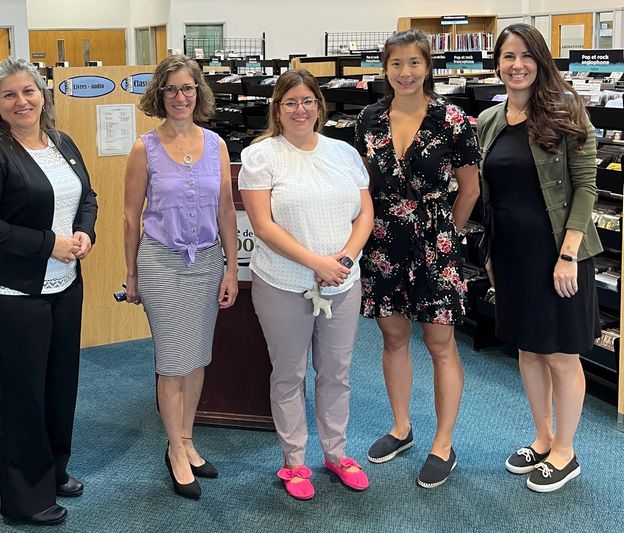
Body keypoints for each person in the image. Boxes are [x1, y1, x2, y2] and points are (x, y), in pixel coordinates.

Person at [0, 57, 98, 526]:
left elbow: (87, 197)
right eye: (9, 95)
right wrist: (48, 245)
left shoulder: (62, 143)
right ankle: (25, 498)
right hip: (12, 292)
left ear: (44, 95)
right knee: (21, 395)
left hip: (65, 285)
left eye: (29, 91)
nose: (22, 101)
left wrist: (84, 234)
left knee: (60, 386)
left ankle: (54, 471)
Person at [353, 30, 480, 488]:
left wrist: (448, 234)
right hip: (385, 239)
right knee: (392, 337)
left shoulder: (453, 120)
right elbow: (363, 186)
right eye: (396, 64)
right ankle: (401, 428)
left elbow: (470, 189)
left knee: (440, 342)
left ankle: (443, 443)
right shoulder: (368, 119)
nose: (405, 73)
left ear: (428, 66)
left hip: (436, 241)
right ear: (384, 69)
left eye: (414, 63)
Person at [477, 23, 601, 493]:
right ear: (498, 64)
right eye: (508, 56)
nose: (517, 65)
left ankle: (566, 452)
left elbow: (586, 185)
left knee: (562, 355)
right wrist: (489, 253)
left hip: (558, 255)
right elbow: (491, 194)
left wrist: (568, 253)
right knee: (529, 350)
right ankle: (543, 437)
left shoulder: (565, 109)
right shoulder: (491, 120)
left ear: (541, 60)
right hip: (512, 256)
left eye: (526, 55)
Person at [239, 69, 374, 500]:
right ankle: (294, 462)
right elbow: (262, 225)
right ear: (277, 108)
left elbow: (364, 214)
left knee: (336, 373)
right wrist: (316, 261)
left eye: (308, 101)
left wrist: (345, 259)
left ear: (320, 105)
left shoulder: (344, 153)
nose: (300, 110)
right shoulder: (262, 156)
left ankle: (335, 453)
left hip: (343, 282)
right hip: (282, 281)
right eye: (290, 102)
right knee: (289, 374)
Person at [123, 54, 239, 500]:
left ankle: (188, 438)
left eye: (187, 88)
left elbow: (226, 210)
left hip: (208, 263)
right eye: (170, 89)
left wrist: (231, 268)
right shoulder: (144, 148)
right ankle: (174, 449)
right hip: (160, 263)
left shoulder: (216, 145)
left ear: (199, 93)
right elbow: (131, 216)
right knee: (172, 362)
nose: (180, 97)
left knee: (196, 358)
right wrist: (131, 273)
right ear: (159, 94)